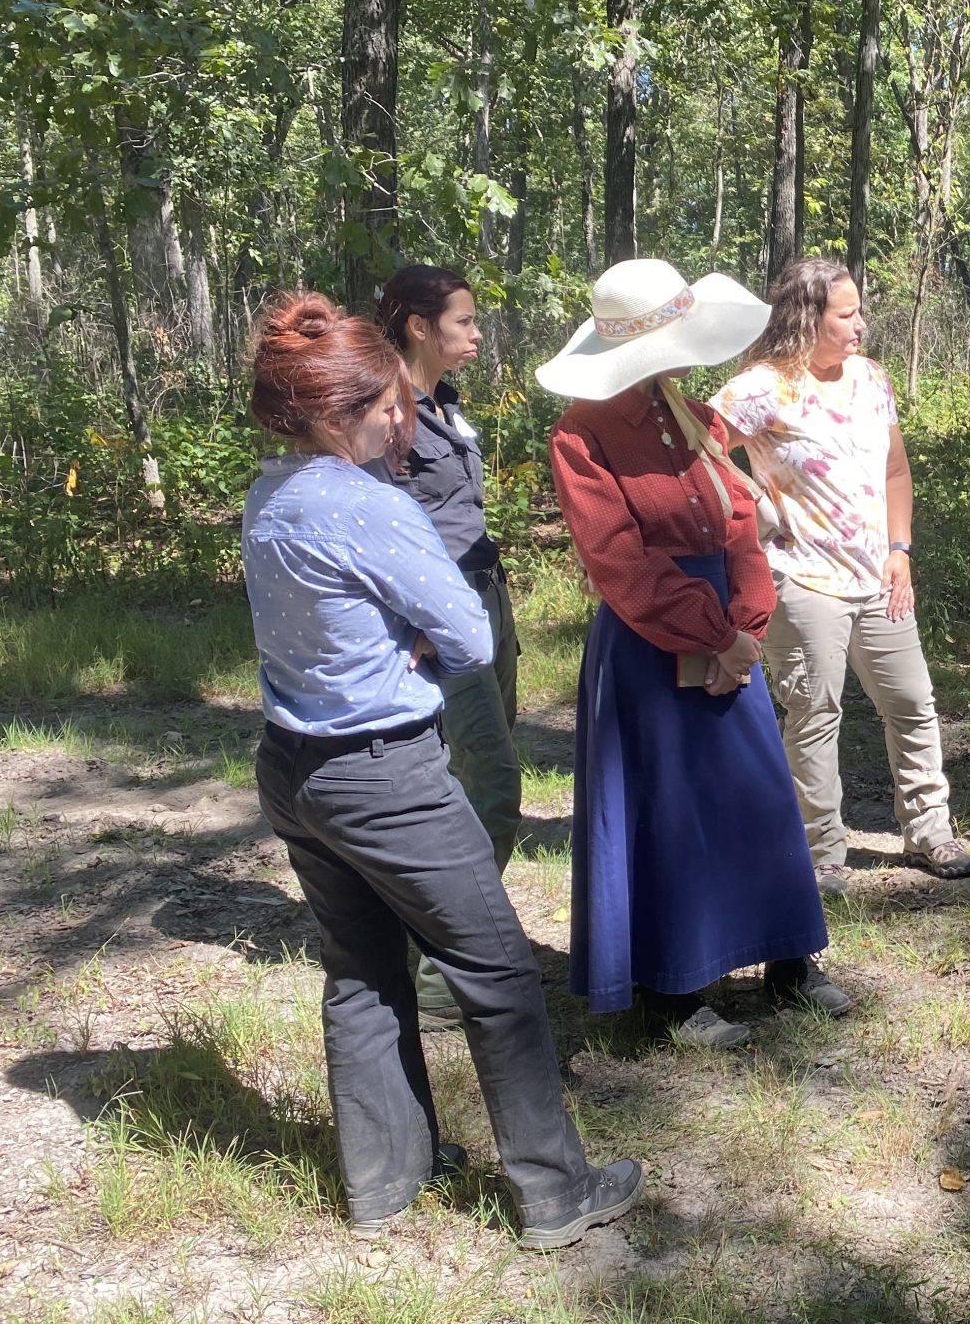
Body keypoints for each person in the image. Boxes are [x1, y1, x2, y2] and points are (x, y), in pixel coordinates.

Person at [241, 291, 640, 1249]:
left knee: (362, 971)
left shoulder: (270, 491)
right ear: (342, 412)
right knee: (496, 970)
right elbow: (466, 634)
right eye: (386, 407)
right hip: (386, 774)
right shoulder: (371, 505)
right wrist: (413, 639)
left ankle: (385, 1182)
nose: (401, 420)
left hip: (295, 769)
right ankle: (554, 1191)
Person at [540, 258, 845, 1049]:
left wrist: (744, 628)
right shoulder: (582, 434)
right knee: (669, 812)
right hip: (648, 645)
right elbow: (621, 563)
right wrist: (716, 634)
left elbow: (742, 520)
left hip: (728, 637)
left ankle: (788, 963)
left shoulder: (694, 414)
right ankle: (676, 995)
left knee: (757, 796)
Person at [710, 259, 970, 896]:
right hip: (800, 579)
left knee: (913, 702)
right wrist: (756, 499)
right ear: (808, 318)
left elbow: (895, 474)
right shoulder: (760, 387)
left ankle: (929, 828)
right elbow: (700, 449)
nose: (861, 323)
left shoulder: (871, 379)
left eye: (859, 310)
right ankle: (821, 850)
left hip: (880, 575)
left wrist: (900, 549)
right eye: (847, 312)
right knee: (813, 714)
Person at [374, 264, 519, 1032]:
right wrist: (419, 619)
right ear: (420, 326)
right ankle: (435, 983)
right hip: (441, 616)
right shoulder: (387, 410)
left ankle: (442, 943)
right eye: (463, 320)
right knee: (493, 789)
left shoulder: (445, 401)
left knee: (477, 781)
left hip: (486, 597)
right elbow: (380, 526)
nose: (475, 333)